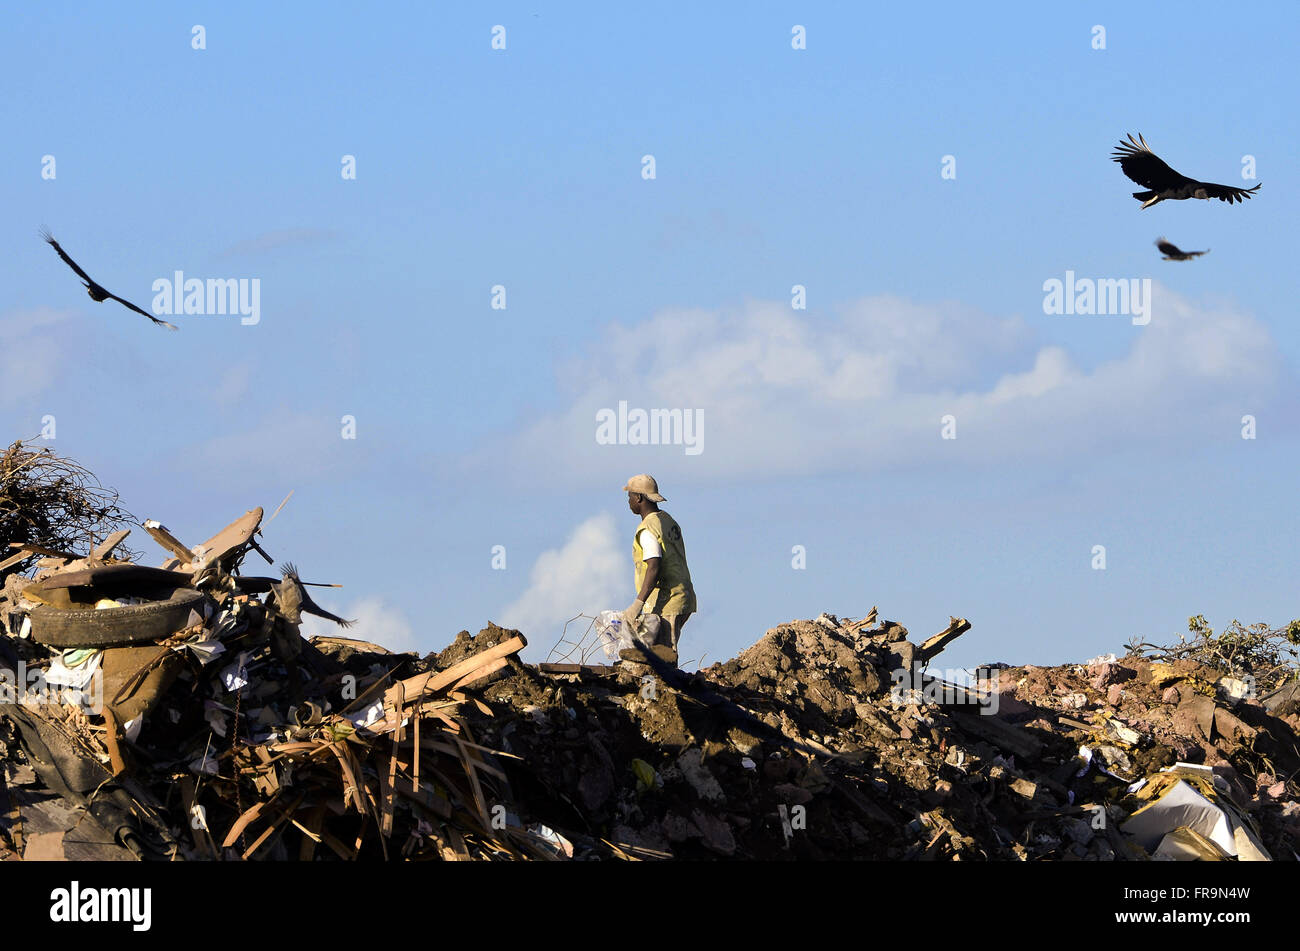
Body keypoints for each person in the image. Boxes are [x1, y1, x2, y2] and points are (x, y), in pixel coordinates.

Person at [621, 474, 696, 662]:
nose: (629, 501)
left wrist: (637, 604)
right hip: (682, 594)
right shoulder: (667, 520)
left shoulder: (648, 529)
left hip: (667, 600)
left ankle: (668, 689)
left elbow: (653, 566)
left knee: (665, 656)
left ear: (638, 498)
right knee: (658, 653)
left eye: (630, 496)